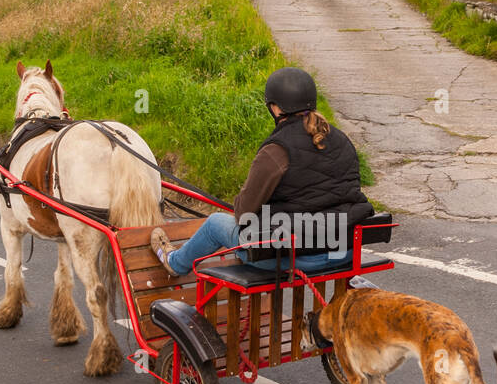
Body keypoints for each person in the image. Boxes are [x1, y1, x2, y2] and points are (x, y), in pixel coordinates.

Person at [151, 67, 373, 276]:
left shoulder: (277, 150)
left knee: (215, 223)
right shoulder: (340, 139)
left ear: (275, 108)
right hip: (344, 251)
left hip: (295, 257)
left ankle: (175, 263)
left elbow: (243, 212)